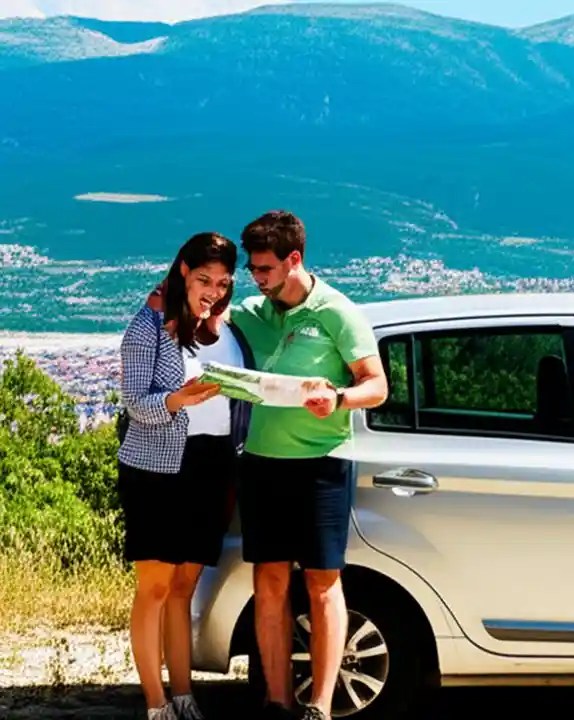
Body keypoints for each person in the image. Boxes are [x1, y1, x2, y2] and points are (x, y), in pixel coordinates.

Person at [230, 210, 388, 720]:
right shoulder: (251, 310)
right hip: (262, 464)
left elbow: (377, 386)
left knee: (323, 582)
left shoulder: (338, 312)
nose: (257, 278)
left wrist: (339, 399)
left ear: (294, 259)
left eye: (266, 269)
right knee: (269, 581)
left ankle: (320, 706)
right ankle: (276, 700)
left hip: (322, 464)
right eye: (253, 270)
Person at [117, 231, 255, 720]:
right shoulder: (148, 327)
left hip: (212, 468)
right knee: (153, 588)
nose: (213, 289)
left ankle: (183, 694)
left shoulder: (225, 328)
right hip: (157, 471)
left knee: (183, 589)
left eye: (221, 282)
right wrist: (179, 399)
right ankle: (156, 702)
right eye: (203, 279)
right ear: (182, 272)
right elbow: (134, 402)